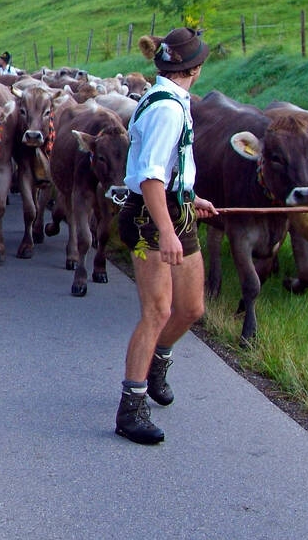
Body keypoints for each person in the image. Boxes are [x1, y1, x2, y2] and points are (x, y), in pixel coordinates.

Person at [113, 27, 217, 444]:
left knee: (190, 308)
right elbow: (150, 177)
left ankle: (157, 361)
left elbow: (169, 169)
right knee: (157, 311)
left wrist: (191, 195)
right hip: (149, 219)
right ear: (197, 67)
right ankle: (130, 408)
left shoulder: (174, 100)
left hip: (176, 208)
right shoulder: (166, 110)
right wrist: (167, 230)